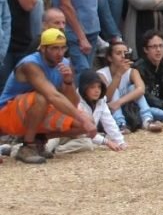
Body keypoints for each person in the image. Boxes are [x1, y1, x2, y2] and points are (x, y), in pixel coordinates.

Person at [0, 29, 98, 164]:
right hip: (7, 114)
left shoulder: (65, 64)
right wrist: (83, 118)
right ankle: (28, 146)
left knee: (85, 123)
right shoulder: (30, 64)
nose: (60, 53)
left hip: (34, 113)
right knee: (43, 97)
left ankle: (38, 140)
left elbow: (72, 103)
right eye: (54, 48)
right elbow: (52, 96)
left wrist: (68, 82)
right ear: (43, 48)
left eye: (63, 48)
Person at [96, 40, 163, 133]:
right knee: (114, 90)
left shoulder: (132, 71)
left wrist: (119, 102)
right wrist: (118, 74)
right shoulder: (102, 74)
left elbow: (141, 90)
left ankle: (147, 120)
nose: (123, 56)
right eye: (118, 53)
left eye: (125, 53)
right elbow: (106, 97)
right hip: (111, 110)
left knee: (134, 88)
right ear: (110, 58)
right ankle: (120, 124)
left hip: (129, 109)